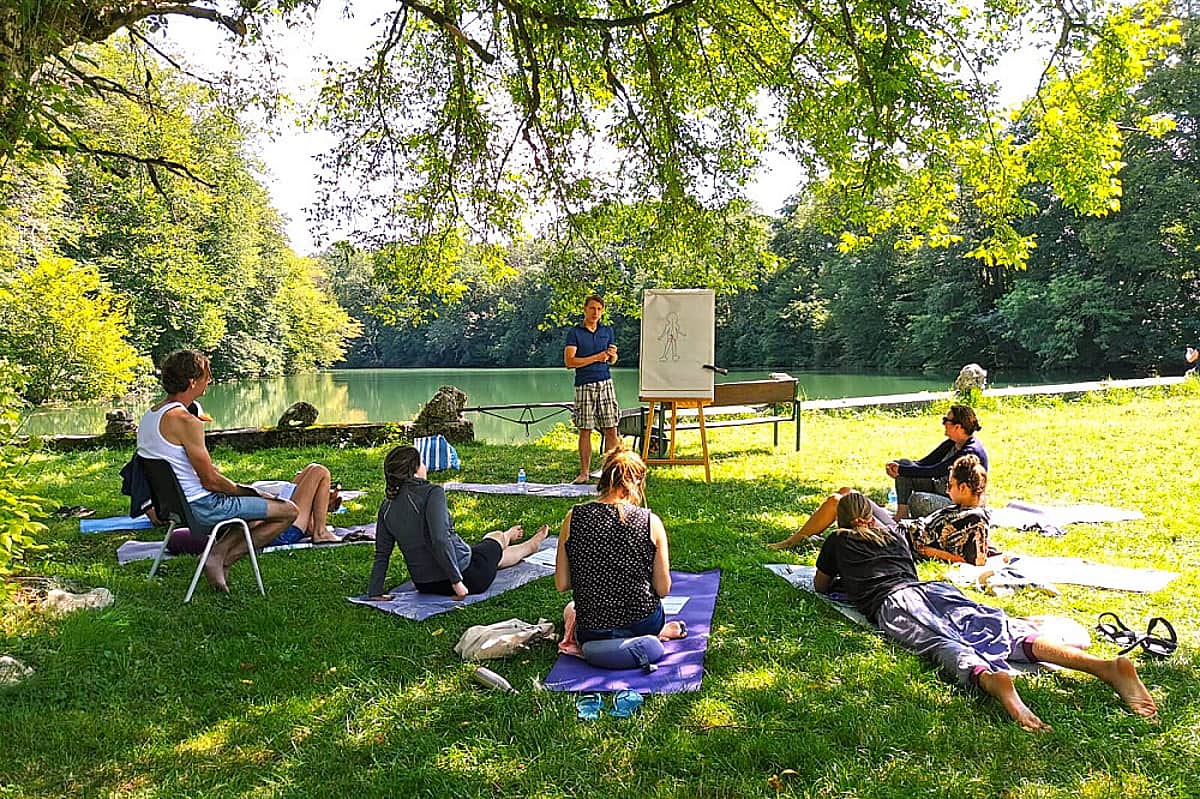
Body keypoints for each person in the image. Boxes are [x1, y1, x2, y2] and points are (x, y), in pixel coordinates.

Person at [813, 489, 1158, 731]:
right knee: (999, 627)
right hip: (933, 590)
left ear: (842, 522)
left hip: (897, 602)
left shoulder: (838, 541)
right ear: (871, 518)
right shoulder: (895, 537)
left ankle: (990, 678)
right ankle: (1104, 667)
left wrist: (847, 575)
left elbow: (821, 586)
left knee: (939, 641)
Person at [136, 350, 298, 593]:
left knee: (250, 507)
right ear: (192, 382)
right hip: (201, 507)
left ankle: (217, 553)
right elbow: (210, 481)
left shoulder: (151, 415)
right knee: (288, 511)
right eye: (206, 376)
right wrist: (246, 492)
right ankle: (220, 559)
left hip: (173, 507)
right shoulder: (185, 420)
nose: (209, 382)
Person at [555, 448, 685, 667]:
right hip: (643, 623)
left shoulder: (573, 517)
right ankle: (658, 632)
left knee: (570, 609)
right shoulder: (650, 521)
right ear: (637, 484)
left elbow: (562, 583)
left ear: (604, 479)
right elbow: (663, 589)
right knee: (648, 613)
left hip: (593, 628)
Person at [366, 445, 549, 600]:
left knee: (488, 554)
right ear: (415, 469)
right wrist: (457, 583)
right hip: (468, 575)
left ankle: (515, 539)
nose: (424, 466)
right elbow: (439, 539)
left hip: (426, 585)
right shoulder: (432, 492)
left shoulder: (386, 506)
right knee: (494, 538)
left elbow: (382, 553)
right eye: (422, 462)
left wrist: (375, 592)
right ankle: (517, 540)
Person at [886, 404, 988, 519]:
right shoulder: (953, 442)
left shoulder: (969, 451)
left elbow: (937, 471)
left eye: (946, 420)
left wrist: (901, 470)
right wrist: (898, 466)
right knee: (905, 464)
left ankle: (920, 529)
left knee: (918, 500)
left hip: (959, 504)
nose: (943, 423)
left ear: (958, 427)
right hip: (940, 489)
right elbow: (925, 463)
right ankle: (901, 514)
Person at [564, 294, 620, 484]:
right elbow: (570, 362)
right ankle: (584, 473)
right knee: (585, 429)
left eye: (599, 309)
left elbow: (612, 359)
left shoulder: (607, 331)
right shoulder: (575, 333)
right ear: (585, 309)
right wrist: (597, 357)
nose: (596, 312)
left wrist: (611, 356)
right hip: (584, 384)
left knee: (611, 428)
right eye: (592, 308)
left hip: (605, 383)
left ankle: (609, 472)